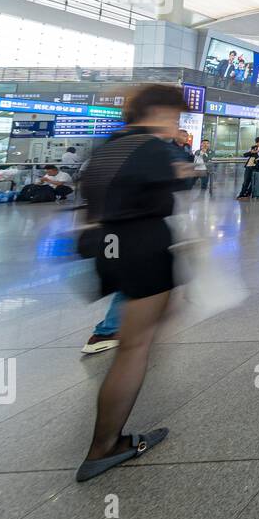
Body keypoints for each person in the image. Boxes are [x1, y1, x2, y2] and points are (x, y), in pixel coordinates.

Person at [73, 84, 189, 481]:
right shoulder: (152, 148)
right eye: (174, 117)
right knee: (134, 348)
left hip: (107, 246)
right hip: (142, 245)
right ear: (156, 112)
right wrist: (181, 163)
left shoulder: (105, 148)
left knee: (137, 336)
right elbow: (180, 180)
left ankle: (105, 442)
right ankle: (106, 446)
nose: (176, 125)